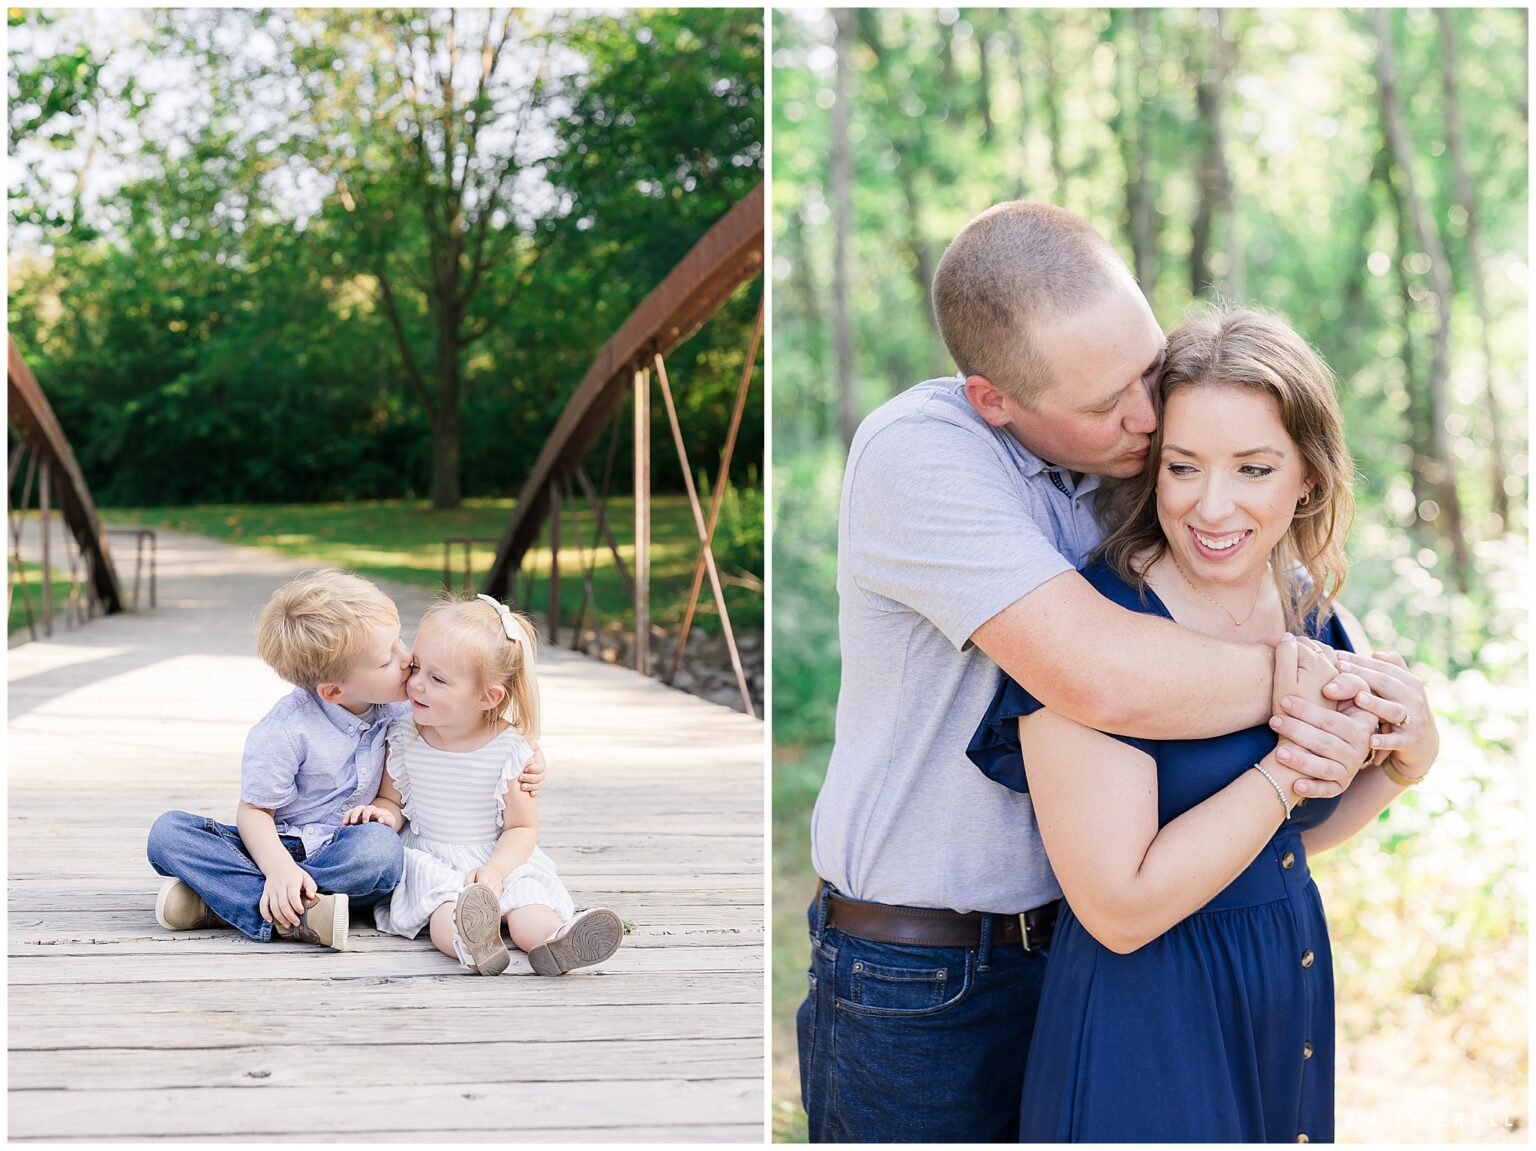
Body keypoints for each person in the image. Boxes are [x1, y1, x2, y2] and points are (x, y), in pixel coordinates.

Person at [797, 202, 1403, 1143]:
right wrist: (1317, 691)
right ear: (995, 399)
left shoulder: (1137, 465)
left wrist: (1381, 715)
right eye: (1104, 404)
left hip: (1102, 958)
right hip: (927, 972)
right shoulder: (922, 454)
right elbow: (1100, 676)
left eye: (1149, 370)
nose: (1148, 417)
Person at [967, 306, 1440, 1142]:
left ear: (1309, 478)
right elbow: (1119, 904)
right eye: (1183, 467)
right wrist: (1286, 769)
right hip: (1148, 1025)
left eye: (1253, 468)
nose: (1211, 506)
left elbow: (1294, 842)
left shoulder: (1312, 616)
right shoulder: (1102, 627)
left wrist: (1405, 761)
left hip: (1280, 994)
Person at [146, 569, 543, 950]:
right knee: (168, 834)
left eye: (399, 641)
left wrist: (530, 755)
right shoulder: (284, 731)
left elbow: (473, 722)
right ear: (334, 691)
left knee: (382, 853)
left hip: (347, 850)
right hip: (278, 844)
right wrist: (279, 869)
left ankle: (229, 901)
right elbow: (254, 812)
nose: (406, 660)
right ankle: (294, 910)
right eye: (387, 659)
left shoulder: (406, 706)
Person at [346, 594, 624, 976]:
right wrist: (383, 815)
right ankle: (472, 943)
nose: (416, 685)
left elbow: (521, 827)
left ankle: (557, 943)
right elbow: (390, 800)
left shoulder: (509, 750)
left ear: (488, 697)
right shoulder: (405, 736)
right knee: (444, 906)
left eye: (437, 679)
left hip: (498, 857)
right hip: (431, 856)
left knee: (526, 903)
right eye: (417, 667)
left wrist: (496, 869)